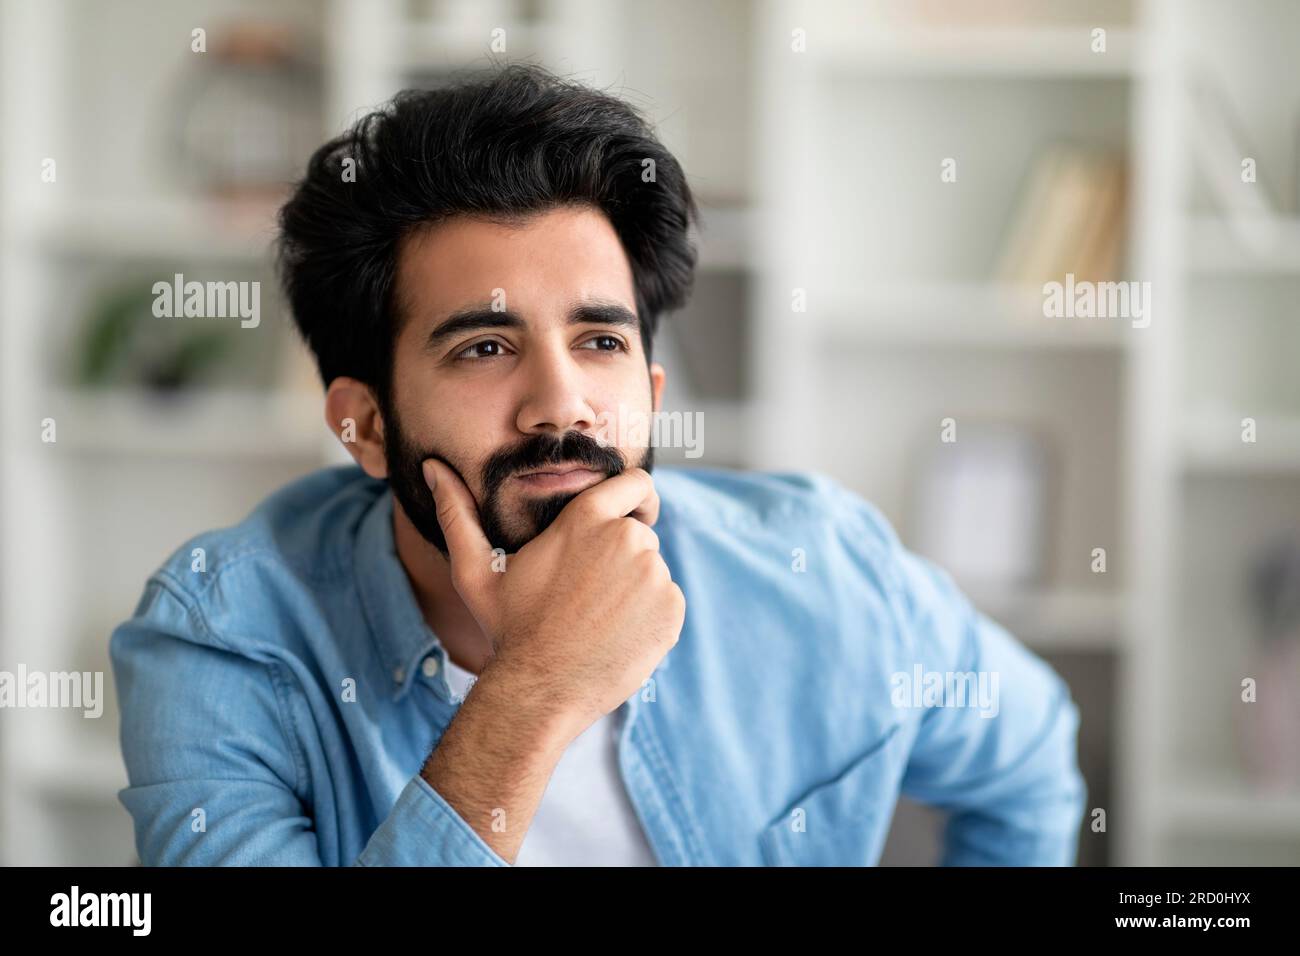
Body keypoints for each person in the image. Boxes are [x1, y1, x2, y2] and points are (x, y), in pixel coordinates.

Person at [110, 64, 1086, 866]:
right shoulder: (221, 634)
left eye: (600, 341)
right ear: (362, 424)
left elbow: (1031, 754)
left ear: (654, 394)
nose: (562, 402)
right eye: (484, 346)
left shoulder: (820, 568)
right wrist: (535, 687)